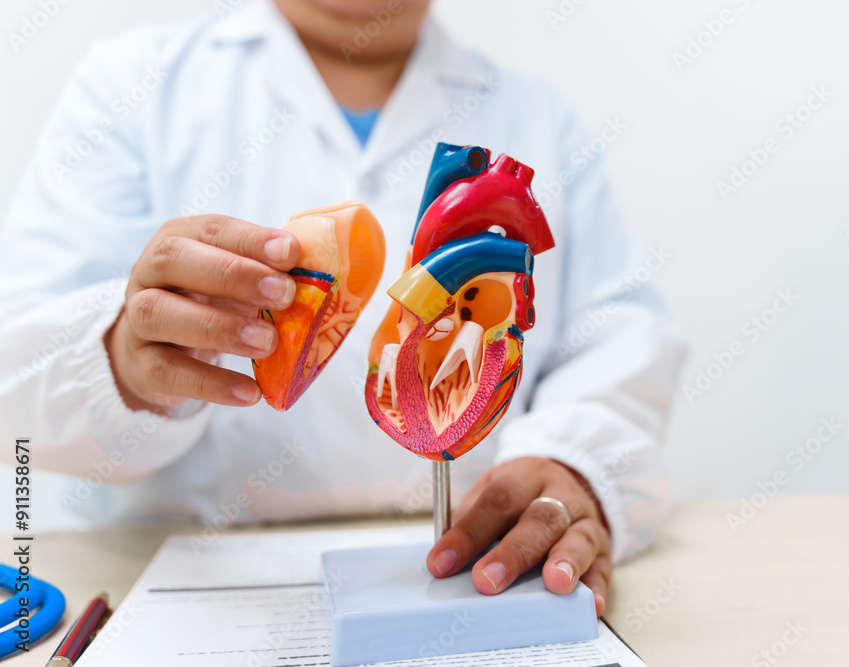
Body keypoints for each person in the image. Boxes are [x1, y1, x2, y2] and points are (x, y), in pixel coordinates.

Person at [0, 0, 686, 615]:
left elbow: (620, 344)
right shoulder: (132, 87)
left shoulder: (542, 117)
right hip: (196, 592)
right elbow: (15, 384)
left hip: (483, 578)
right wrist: (123, 356)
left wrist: (574, 461)